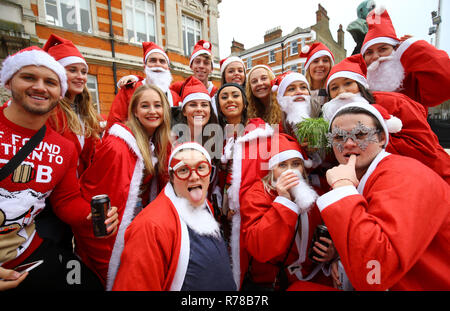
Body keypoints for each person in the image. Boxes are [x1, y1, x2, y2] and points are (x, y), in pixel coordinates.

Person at [0, 46, 118, 290]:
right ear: (9, 82)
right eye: (29, 77)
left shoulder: (63, 147)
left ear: (59, 92)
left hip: (28, 253)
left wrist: (91, 215)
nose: (41, 87)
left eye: (50, 82)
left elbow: (66, 200)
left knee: (90, 285)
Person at [317, 101, 450, 290]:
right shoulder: (370, 175)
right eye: (339, 137)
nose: (348, 143)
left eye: (360, 134)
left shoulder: (405, 176)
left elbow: (375, 272)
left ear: (381, 138)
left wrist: (342, 189)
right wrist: (340, 260)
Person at [75, 84, 172, 289]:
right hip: (116, 227)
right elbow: (98, 192)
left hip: (136, 220)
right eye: (145, 106)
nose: (153, 111)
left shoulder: (154, 140)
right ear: (135, 112)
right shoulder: (118, 146)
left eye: (157, 105)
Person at [113, 142, 236, 291]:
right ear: (171, 177)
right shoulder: (150, 227)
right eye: (183, 170)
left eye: (201, 167)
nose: (194, 176)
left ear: (210, 172)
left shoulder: (204, 205)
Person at [323, 54, 450, 184]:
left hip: (435, 176)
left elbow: (425, 148)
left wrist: (371, 140)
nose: (342, 91)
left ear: (360, 85)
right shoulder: (332, 118)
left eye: (348, 83)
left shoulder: (396, 103)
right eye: (334, 88)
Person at [236, 133, 335, 290]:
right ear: (271, 170)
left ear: (304, 168)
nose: (290, 171)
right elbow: (260, 249)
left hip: (313, 276)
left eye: (296, 164)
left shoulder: (317, 194)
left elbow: (338, 235)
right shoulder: (257, 195)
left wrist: (331, 253)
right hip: (272, 282)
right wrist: (284, 201)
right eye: (282, 165)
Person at [361, 6, 450, 112]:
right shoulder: (359, 81)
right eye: (369, 52)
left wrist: (414, 47)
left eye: (383, 49)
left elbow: (445, 81)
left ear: (396, 50)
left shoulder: (410, 78)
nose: (375, 56)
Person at [43, 34, 102, 177]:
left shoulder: (85, 110)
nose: (80, 76)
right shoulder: (48, 111)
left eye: (83, 72)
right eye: (72, 70)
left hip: (80, 186)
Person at [106, 41, 181, 130]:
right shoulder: (130, 90)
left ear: (168, 68)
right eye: (152, 60)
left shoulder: (175, 96)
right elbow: (114, 122)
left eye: (162, 61)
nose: (157, 64)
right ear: (145, 66)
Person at [299, 42, 335, 113]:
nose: (321, 64)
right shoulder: (299, 92)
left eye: (325, 60)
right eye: (315, 61)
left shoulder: (336, 92)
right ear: (308, 67)